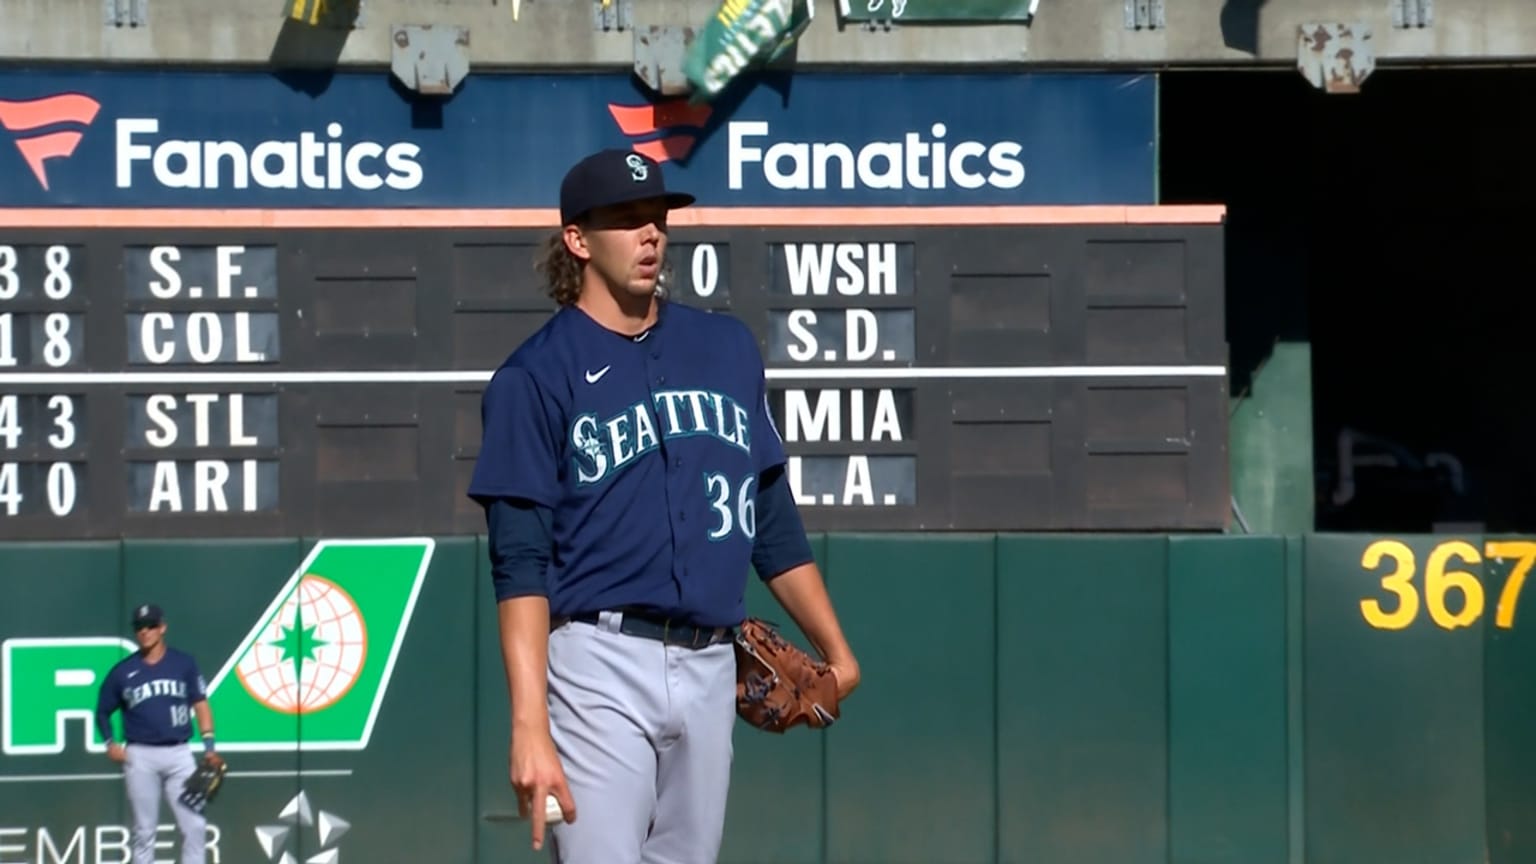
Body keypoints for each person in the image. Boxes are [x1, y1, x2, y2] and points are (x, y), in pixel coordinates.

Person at [467, 148, 861, 863]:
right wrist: (530, 723)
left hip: (713, 662)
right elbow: (519, 561)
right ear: (578, 240)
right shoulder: (534, 377)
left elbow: (765, 511)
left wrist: (835, 648)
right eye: (626, 219)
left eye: (657, 218)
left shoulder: (727, 349)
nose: (650, 234)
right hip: (597, 661)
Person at [94, 603, 220, 864]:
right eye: (139, 627)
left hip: (179, 753)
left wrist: (209, 747)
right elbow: (102, 711)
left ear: (162, 628)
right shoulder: (123, 672)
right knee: (144, 831)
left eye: (151, 625)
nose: (145, 631)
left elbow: (201, 704)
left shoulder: (183, 663)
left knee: (195, 826)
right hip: (141, 755)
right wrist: (110, 742)